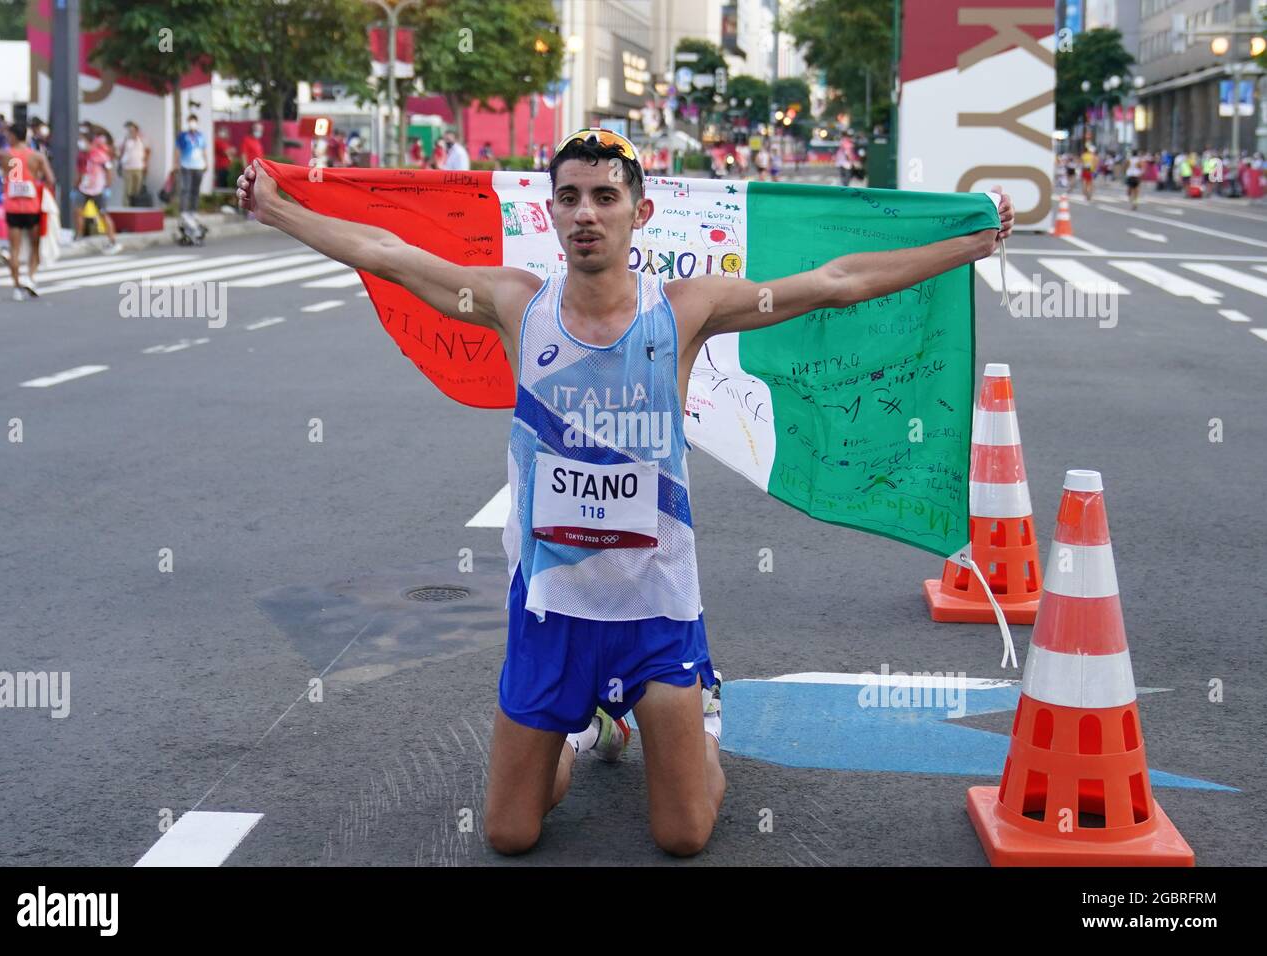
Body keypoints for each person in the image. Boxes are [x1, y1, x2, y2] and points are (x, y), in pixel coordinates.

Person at [234, 127, 1014, 857]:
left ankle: (699, 715)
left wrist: (973, 241)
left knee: (682, 836)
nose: (587, 214)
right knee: (509, 833)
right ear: (550, 212)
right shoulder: (516, 304)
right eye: (570, 197)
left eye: (606, 197)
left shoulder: (686, 310)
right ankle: (579, 732)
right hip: (550, 612)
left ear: (640, 212)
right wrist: (275, 209)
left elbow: (838, 281)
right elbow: (385, 250)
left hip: (655, 612)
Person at [0, 123, 56, 299]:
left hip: (13, 206)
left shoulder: (5, 154)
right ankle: (30, 277)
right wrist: (36, 180)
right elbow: (51, 179)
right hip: (32, 206)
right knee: (34, 245)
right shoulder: (37, 156)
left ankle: (17, 286)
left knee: (14, 249)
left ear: (13, 136)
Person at [74, 133, 121, 253]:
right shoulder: (81, 155)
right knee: (79, 212)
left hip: (98, 189)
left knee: (103, 215)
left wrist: (107, 186)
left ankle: (112, 241)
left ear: (89, 142)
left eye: (82, 140)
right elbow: (80, 172)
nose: (80, 143)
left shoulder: (100, 155)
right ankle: (79, 237)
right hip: (83, 188)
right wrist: (75, 186)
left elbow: (109, 170)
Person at [174, 113, 208, 214]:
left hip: (199, 166)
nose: (192, 123)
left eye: (194, 121)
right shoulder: (183, 135)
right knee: (186, 188)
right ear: (188, 122)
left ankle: (194, 211)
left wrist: (206, 162)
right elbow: (177, 150)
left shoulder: (200, 136)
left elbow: (204, 150)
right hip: (186, 166)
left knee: (196, 190)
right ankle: (183, 211)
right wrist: (176, 163)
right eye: (190, 121)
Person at [120, 121, 150, 202]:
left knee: (137, 188)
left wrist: (146, 164)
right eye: (130, 130)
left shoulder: (142, 139)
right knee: (128, 189)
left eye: (133, 130)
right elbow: (120, 151)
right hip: (127, 167)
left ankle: (135, 204)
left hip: (139, 166)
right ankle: (126, 206)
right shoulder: (125, 139)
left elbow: (147, 151)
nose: (131, 132)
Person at [213, 125, 235, 189]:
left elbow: (230, 152)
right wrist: (231, 150)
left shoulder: (225, 142)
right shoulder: (218, 141)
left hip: (226, 167)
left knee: (225, 184)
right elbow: (226, 152)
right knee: (221, 184)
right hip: (221, 167)